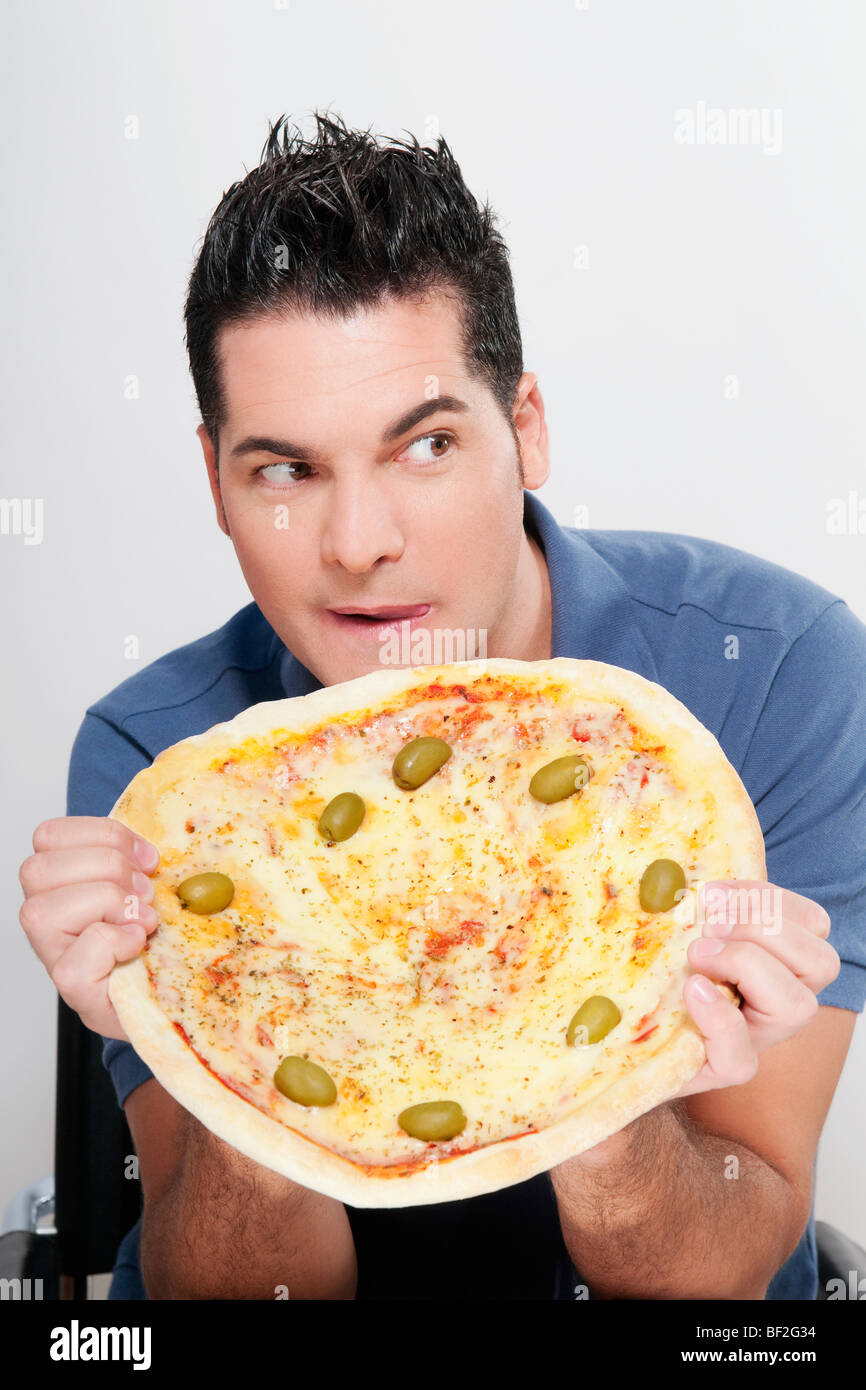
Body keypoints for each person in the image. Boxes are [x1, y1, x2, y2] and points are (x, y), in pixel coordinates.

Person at [18, 111, 861, 1301]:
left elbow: (725, 1269)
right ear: (214, 483)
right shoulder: (163, 758)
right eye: (285, 470)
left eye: (421, 446)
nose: (358, 545)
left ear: (524, 429)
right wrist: (219, 1037)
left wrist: (614, 1079)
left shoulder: (774, 672)